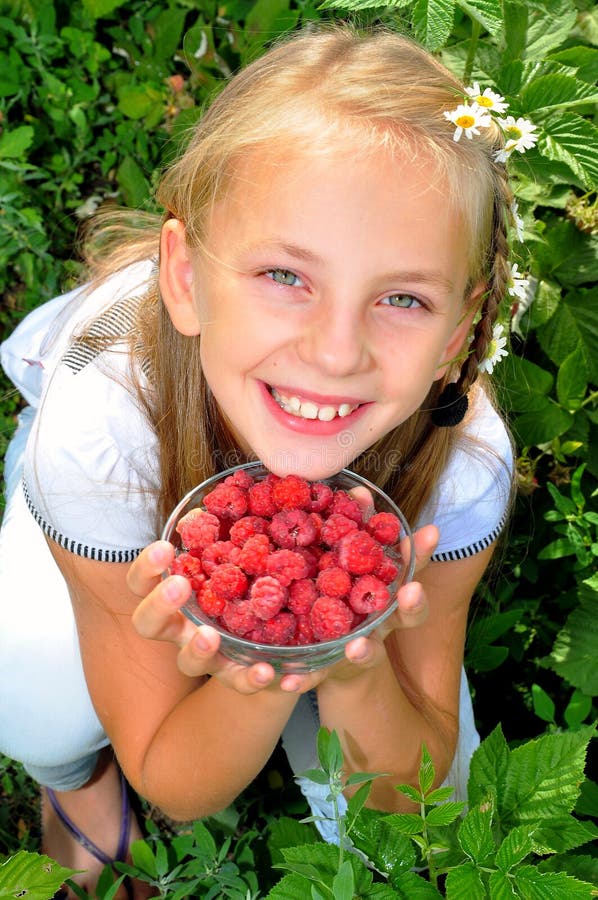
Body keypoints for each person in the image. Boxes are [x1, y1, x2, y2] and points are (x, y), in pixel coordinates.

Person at [0, 23, 515, 898]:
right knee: (32, 693)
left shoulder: (462, 467)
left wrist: (339, 663)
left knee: (428, 807)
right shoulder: (100, 435)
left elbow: (410, 789)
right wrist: (254, 680)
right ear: (189, 280)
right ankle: (74, 787)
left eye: (401, 297)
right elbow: (175, 781)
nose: (335, 350)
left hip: (324, 609)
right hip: (103, 518)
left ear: (455, 338)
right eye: (286, 275)